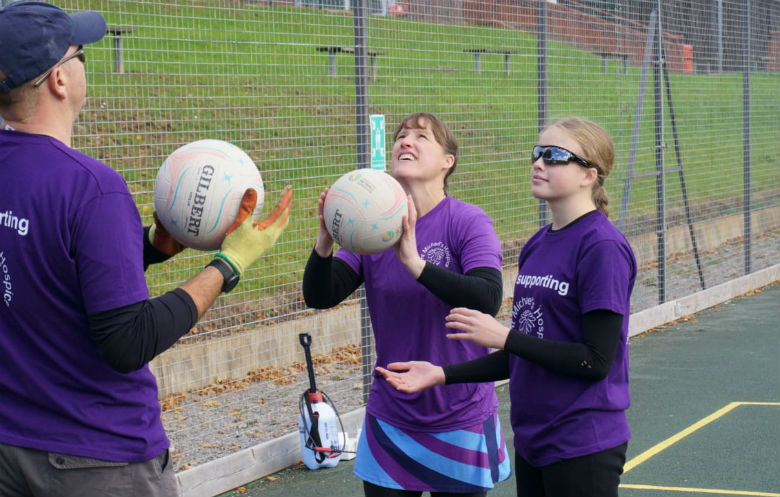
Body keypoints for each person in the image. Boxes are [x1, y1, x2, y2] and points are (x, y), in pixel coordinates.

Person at [0, 2, 292, 496]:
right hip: (98, 458)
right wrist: (230, 263)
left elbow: (39, 267)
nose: (82, 63)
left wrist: (152, 248)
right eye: (80, 55)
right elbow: (127, 342)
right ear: (58, 81)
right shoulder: (93, 189)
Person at [377, 117, 637, 497]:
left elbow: (595, 360)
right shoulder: (538, 244)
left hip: (583, 441)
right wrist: (441, 374)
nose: (538, 163)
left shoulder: (601, 247)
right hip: (535, 439)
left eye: (555, 156)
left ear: (589, 176)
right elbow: (526, 352)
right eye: (537, 153)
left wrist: (505, 336)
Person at [303, 112, 511, 497]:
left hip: (457, 412)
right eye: (401, 136)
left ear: (448, 161)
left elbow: (488, 297)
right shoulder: (373, 228)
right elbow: (321, 296)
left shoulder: (467, 221)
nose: (406, 141)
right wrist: (325, 241)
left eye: (421, 136)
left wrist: (415, 264)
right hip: (392, 414)